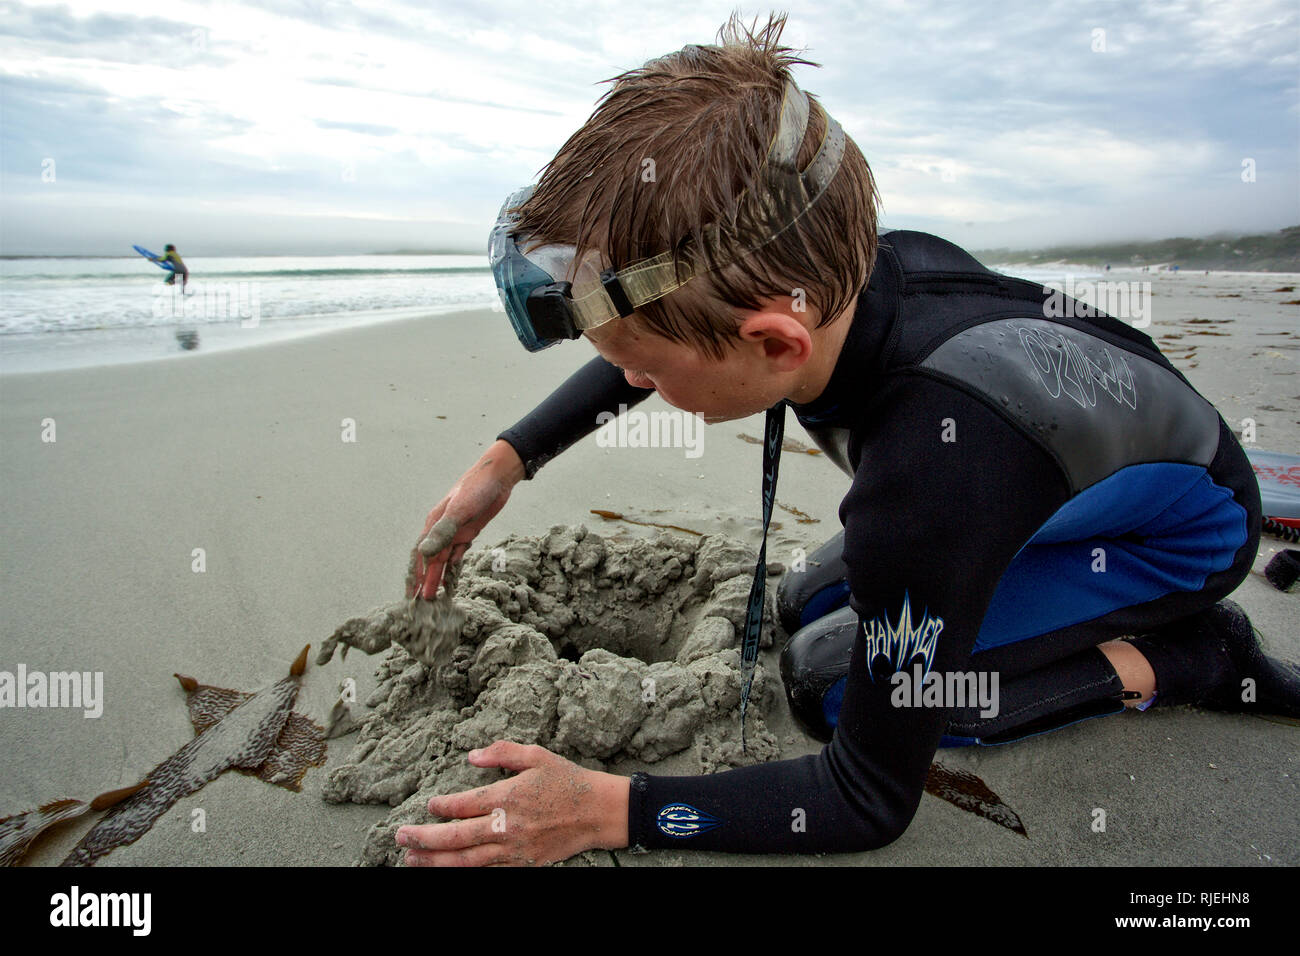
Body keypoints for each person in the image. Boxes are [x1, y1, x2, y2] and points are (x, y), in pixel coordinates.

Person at [396, 13, 1299, 866]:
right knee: (798, 601)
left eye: (644, 372)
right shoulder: (837, 255)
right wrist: (507, 461)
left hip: (1173, 538)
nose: (633, 385)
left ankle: (1193, 656)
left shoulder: (929, 471)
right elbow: (662, 331)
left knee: (826, 685)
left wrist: (610, 808)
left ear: (774, 343)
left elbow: (867, 797)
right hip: (1056, 473)